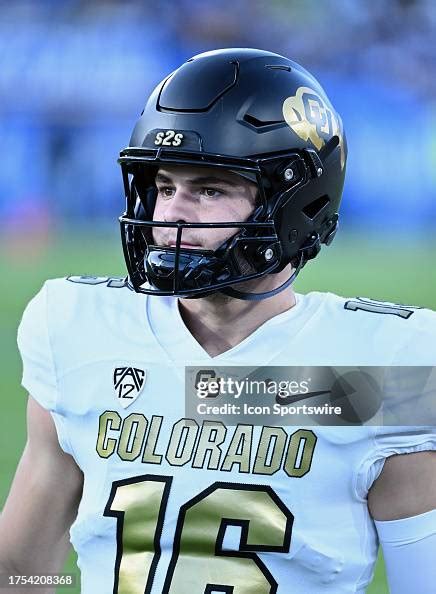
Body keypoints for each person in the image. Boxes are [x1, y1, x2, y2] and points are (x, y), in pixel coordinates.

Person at [0, 48, 435, 594]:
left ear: (296, 203)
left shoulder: (386, 370)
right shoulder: (76, 330)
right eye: (163, 187)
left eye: (210, 188)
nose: (172, 214)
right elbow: (20, 569)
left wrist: (219, 399)